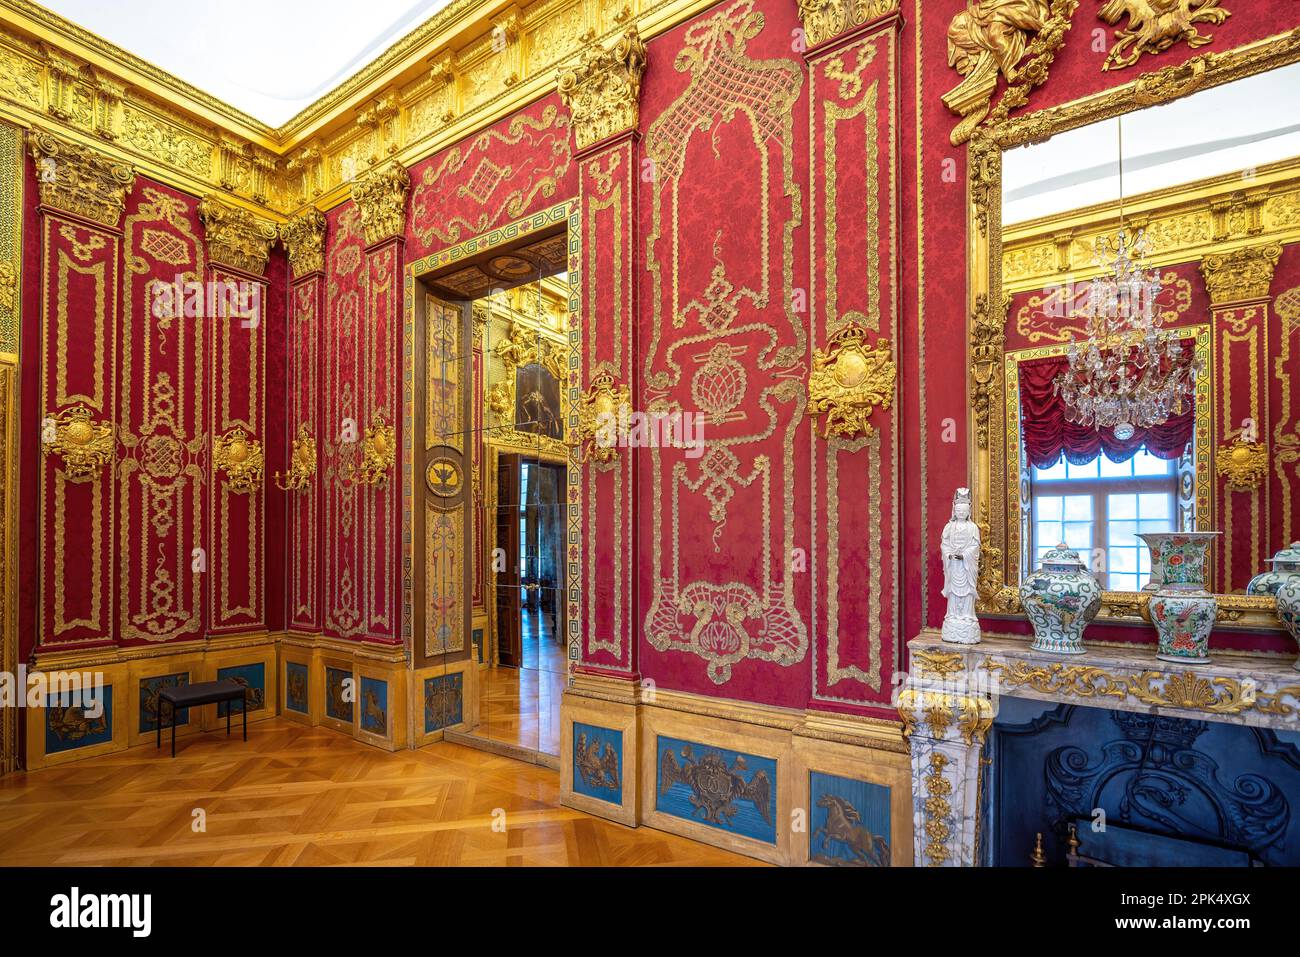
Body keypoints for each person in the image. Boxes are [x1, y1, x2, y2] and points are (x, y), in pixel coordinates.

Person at [941, 487, 982, 645]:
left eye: (964, 511)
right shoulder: (949, 527)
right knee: (953, 592)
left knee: (966, 592)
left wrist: (965, 555)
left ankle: (967, 615)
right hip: (954, 565)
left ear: (968, 511)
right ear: (954, 510)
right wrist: (950, 554)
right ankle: (952, 615)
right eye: (958, 510)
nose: (961, 513)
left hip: (966, 566)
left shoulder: (973, 528)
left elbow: (975, 546)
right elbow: (944, 544)